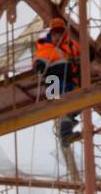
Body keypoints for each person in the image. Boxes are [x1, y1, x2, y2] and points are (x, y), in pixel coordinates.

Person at [34, 16, 82, 147]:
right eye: (55, 33)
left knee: (76, 104)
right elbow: (40, 58)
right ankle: (66, 133)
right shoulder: (46, 47)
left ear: (64, 33)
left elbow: (82, 52)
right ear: (51, 33)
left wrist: (89, 54)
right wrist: (39, 65)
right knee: (60, 103)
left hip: (68, 81)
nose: (57, 36)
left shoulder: (71, 45)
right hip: (53, 80)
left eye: (60, 33)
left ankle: (68, 125)